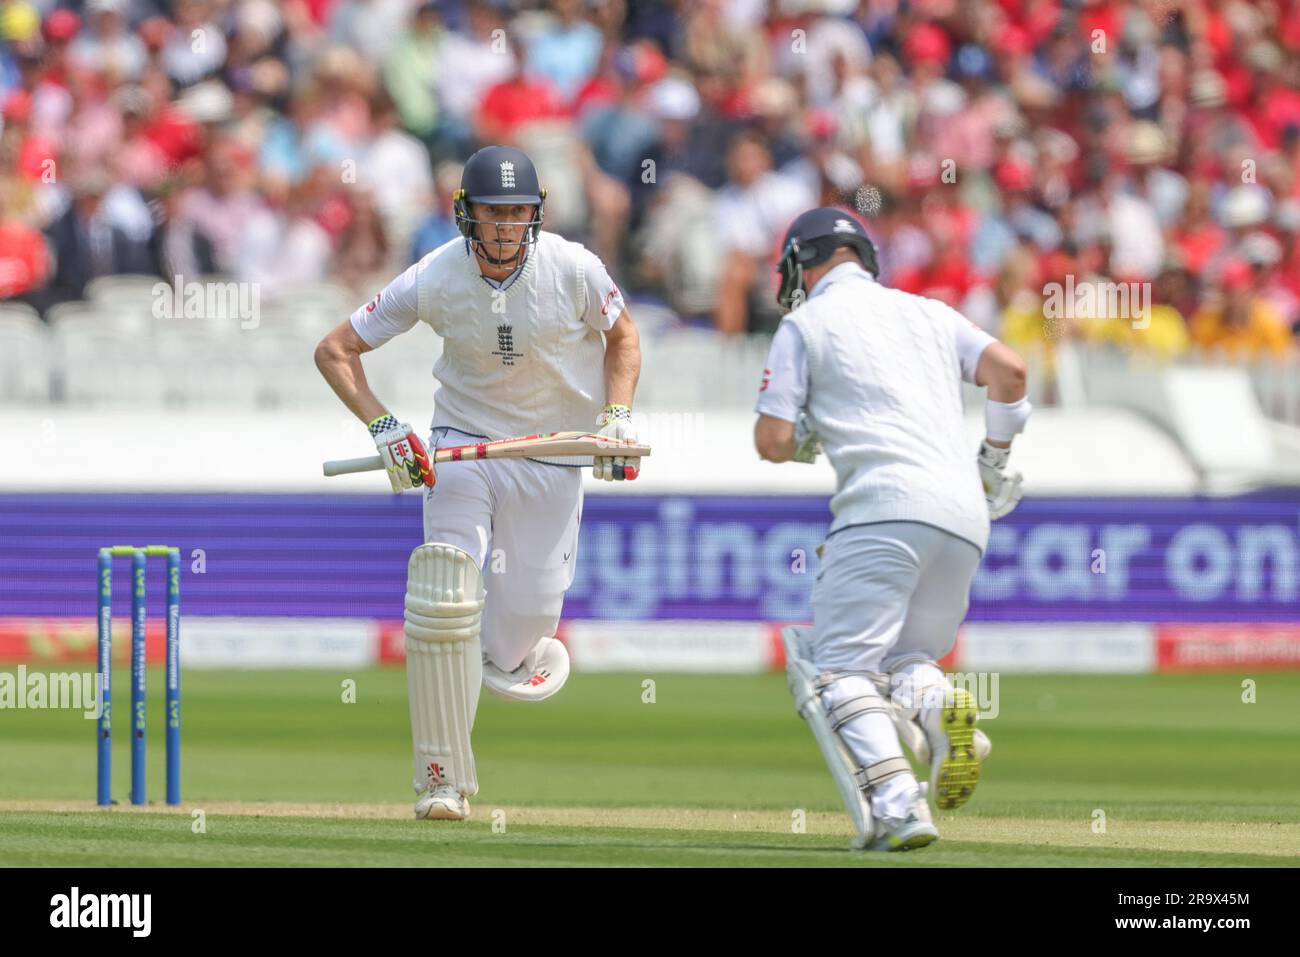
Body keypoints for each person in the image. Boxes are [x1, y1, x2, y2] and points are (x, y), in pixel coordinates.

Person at [314, 145, 642, 820]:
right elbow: (335, 349)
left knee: (518, 636)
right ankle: (441, 779)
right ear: (466, 213)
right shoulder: (435, 274)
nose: (506, 227)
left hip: (554, 451)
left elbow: (624, 338)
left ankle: (502, 655)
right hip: (462, 445)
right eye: (494, 212)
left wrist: (614, 418)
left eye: (518, 213)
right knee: (446, 589)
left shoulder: (574, 267)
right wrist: (384, 428)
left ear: (537, 214)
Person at [753, 207, 1030, 851]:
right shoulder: (930, 312)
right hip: (965, 514)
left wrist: (808, 435)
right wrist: (992, 462)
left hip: (883, 507)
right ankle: (938, 708)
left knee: (838, 669)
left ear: (802, 262)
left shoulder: (805, 324)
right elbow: (1011, 372)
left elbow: (771, 440)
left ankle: (901, 804)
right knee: (908, 659)